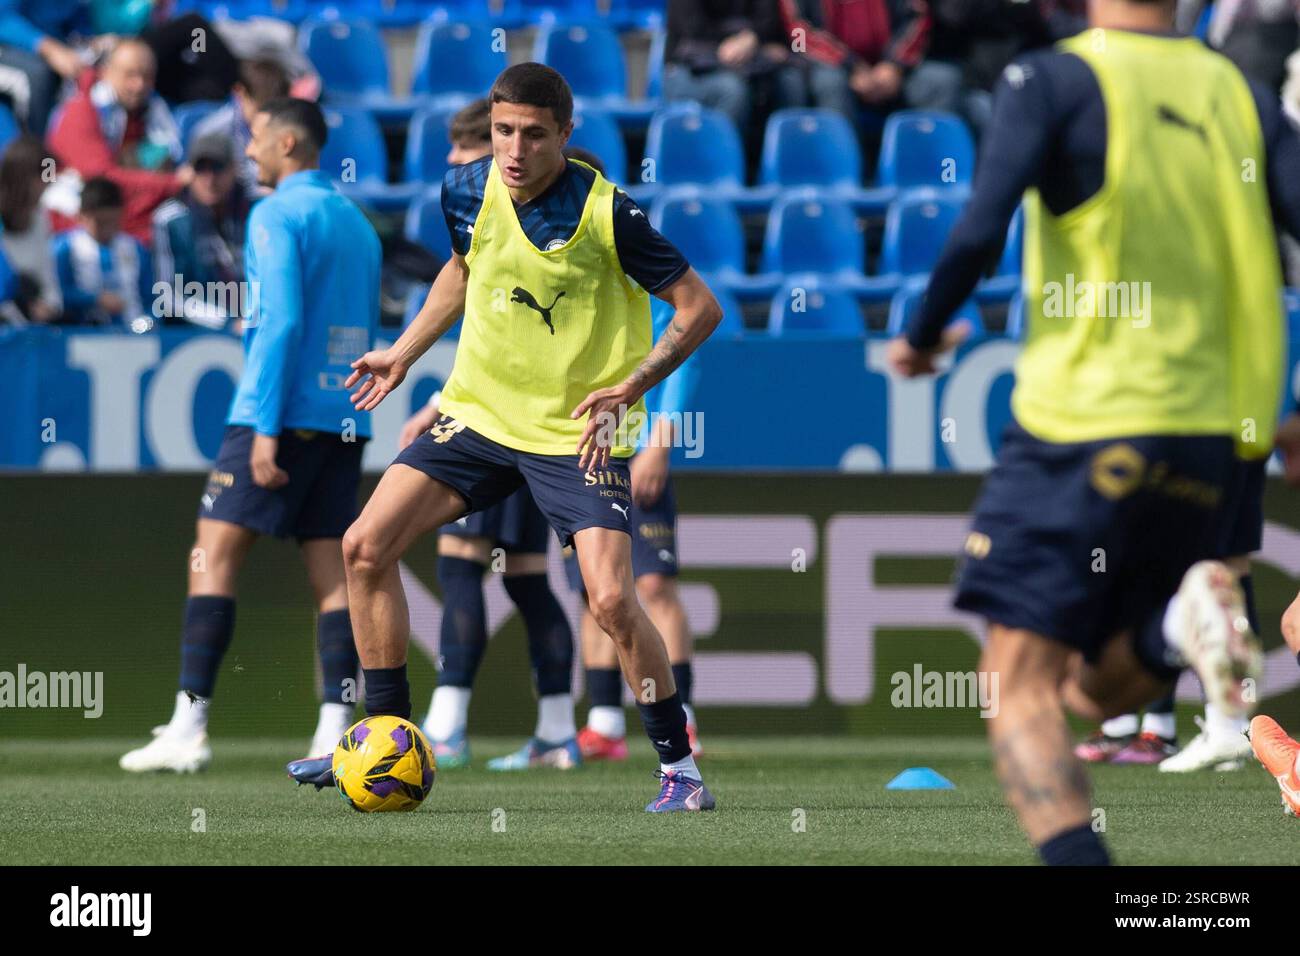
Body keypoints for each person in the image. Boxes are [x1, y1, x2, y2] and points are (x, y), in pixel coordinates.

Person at [886, 0, 1300, 864]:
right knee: (1094, 689)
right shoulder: (1243, 93)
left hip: (1091, 418)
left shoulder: (1053, 78)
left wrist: (922, 335)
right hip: (1222, 437)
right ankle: (1174, 627)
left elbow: (978, 230)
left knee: (1017, 687)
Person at [287, 63, 724, 812]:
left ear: (565, 133)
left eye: (532, 133)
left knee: (613, 600)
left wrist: (634, 386)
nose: (513, 149)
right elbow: (462, 270)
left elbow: (699, 307)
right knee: (364, 546)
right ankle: (385, 740)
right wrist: (403, 351)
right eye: (501, 131)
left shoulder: (609, 214)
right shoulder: (465, 190)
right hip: (481, 417)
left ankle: (681, 772)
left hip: (574, 433)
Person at [118, 98, 382, 773]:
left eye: (258, 136)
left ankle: (189, 724)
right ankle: (334, 729)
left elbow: (282, 323)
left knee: (212, 555)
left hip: (279, 411)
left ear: (289, 143)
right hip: (343, 417)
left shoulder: (274, 213)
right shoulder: (358, 224)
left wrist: (264, 430)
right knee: (332, 574)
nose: (249, 148)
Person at [397, 97, 584, 772]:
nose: (451, 162)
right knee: (529, 578)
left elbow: (507, 337)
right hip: (528, 419)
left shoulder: (508, 219)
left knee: (461, 564)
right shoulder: (516, 220)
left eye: (462, 149)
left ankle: (446, 724)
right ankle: (559, 733)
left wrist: (447, 402)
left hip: (503, 421)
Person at [567, 293, 703, 761]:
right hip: (582, 451)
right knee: (593, 590)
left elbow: (684, 355)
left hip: (634, 450)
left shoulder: (644, 283)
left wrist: (659, 443)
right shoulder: (575, 280)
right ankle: (604, 724)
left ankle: (682, 719)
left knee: (654, 586)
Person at [46, 37, 189, 245]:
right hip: (77, 225)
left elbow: (169, 159)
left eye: (147, 76)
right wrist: (173, 183)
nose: (139, 85)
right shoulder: (80, 112)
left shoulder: (153, 111)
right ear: (106, 72)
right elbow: (102, 179)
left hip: (125, 215)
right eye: (130, 74)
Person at [151, 132, 251, 330]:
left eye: (218, 169)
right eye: (201, 170)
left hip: (253, 323)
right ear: (189, 173)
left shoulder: (255, 212)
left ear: (234, 169)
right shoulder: (170, 220)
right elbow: (167, 296)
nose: (209, 180)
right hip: (196, 334)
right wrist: (225, 321)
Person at [52, 175, 152, 327]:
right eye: (101, 222)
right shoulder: (65, 248)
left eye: (113, 221)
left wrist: (148, 323)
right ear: (81, 216)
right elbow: (55, 295)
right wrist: (93, 299)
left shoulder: (136, 248)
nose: (107, 229)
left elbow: (149, 296)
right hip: (83, 336)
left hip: (133, 336)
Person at [0, 133, 61, 321]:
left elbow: (50, 286)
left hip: (31, 331)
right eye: (42, 176)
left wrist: (48, 307)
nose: (48, 184)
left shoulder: (42, 221)